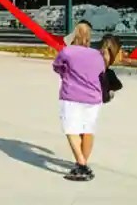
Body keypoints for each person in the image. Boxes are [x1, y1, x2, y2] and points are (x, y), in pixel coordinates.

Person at [52, 21, 107, 181]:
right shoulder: (97, 54)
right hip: (93, 97)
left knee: (71, 129)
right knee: (88, 129)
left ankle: (82, 165)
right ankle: (82, 162)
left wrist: (66, 73)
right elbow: (101, 71)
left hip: (72, 95)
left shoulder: (67, 52)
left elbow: (56, 66)